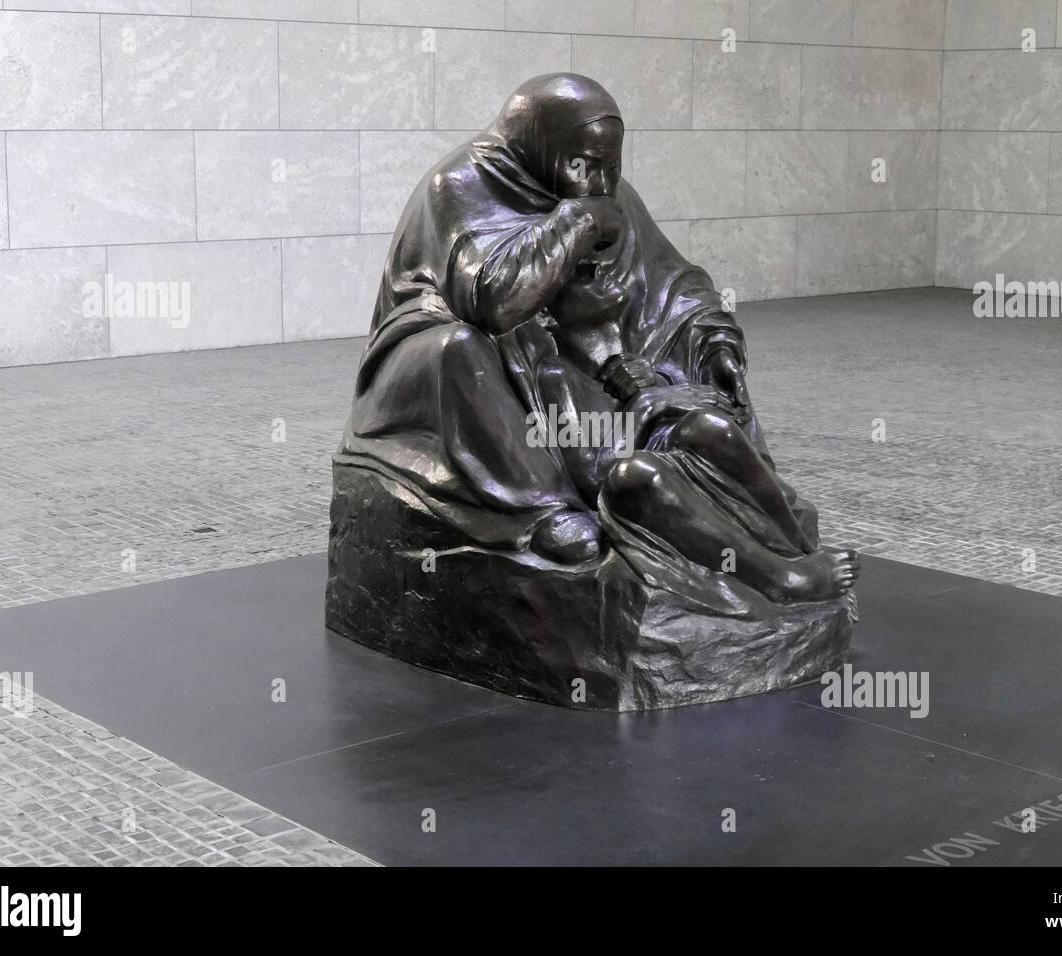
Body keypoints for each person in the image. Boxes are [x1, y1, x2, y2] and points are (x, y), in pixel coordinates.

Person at [338, 73, 858, 608]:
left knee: (693, 433)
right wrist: (580, 219)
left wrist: (713, 344)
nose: (602, 182)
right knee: (459, 348)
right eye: (586, 164)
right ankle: (539, 510)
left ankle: (783, 548)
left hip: (573, 376)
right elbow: (494, 302)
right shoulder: (461, 186)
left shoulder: (605, 189)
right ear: (537, 146)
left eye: (613, 165)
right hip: (434, 377)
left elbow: (672, 284)